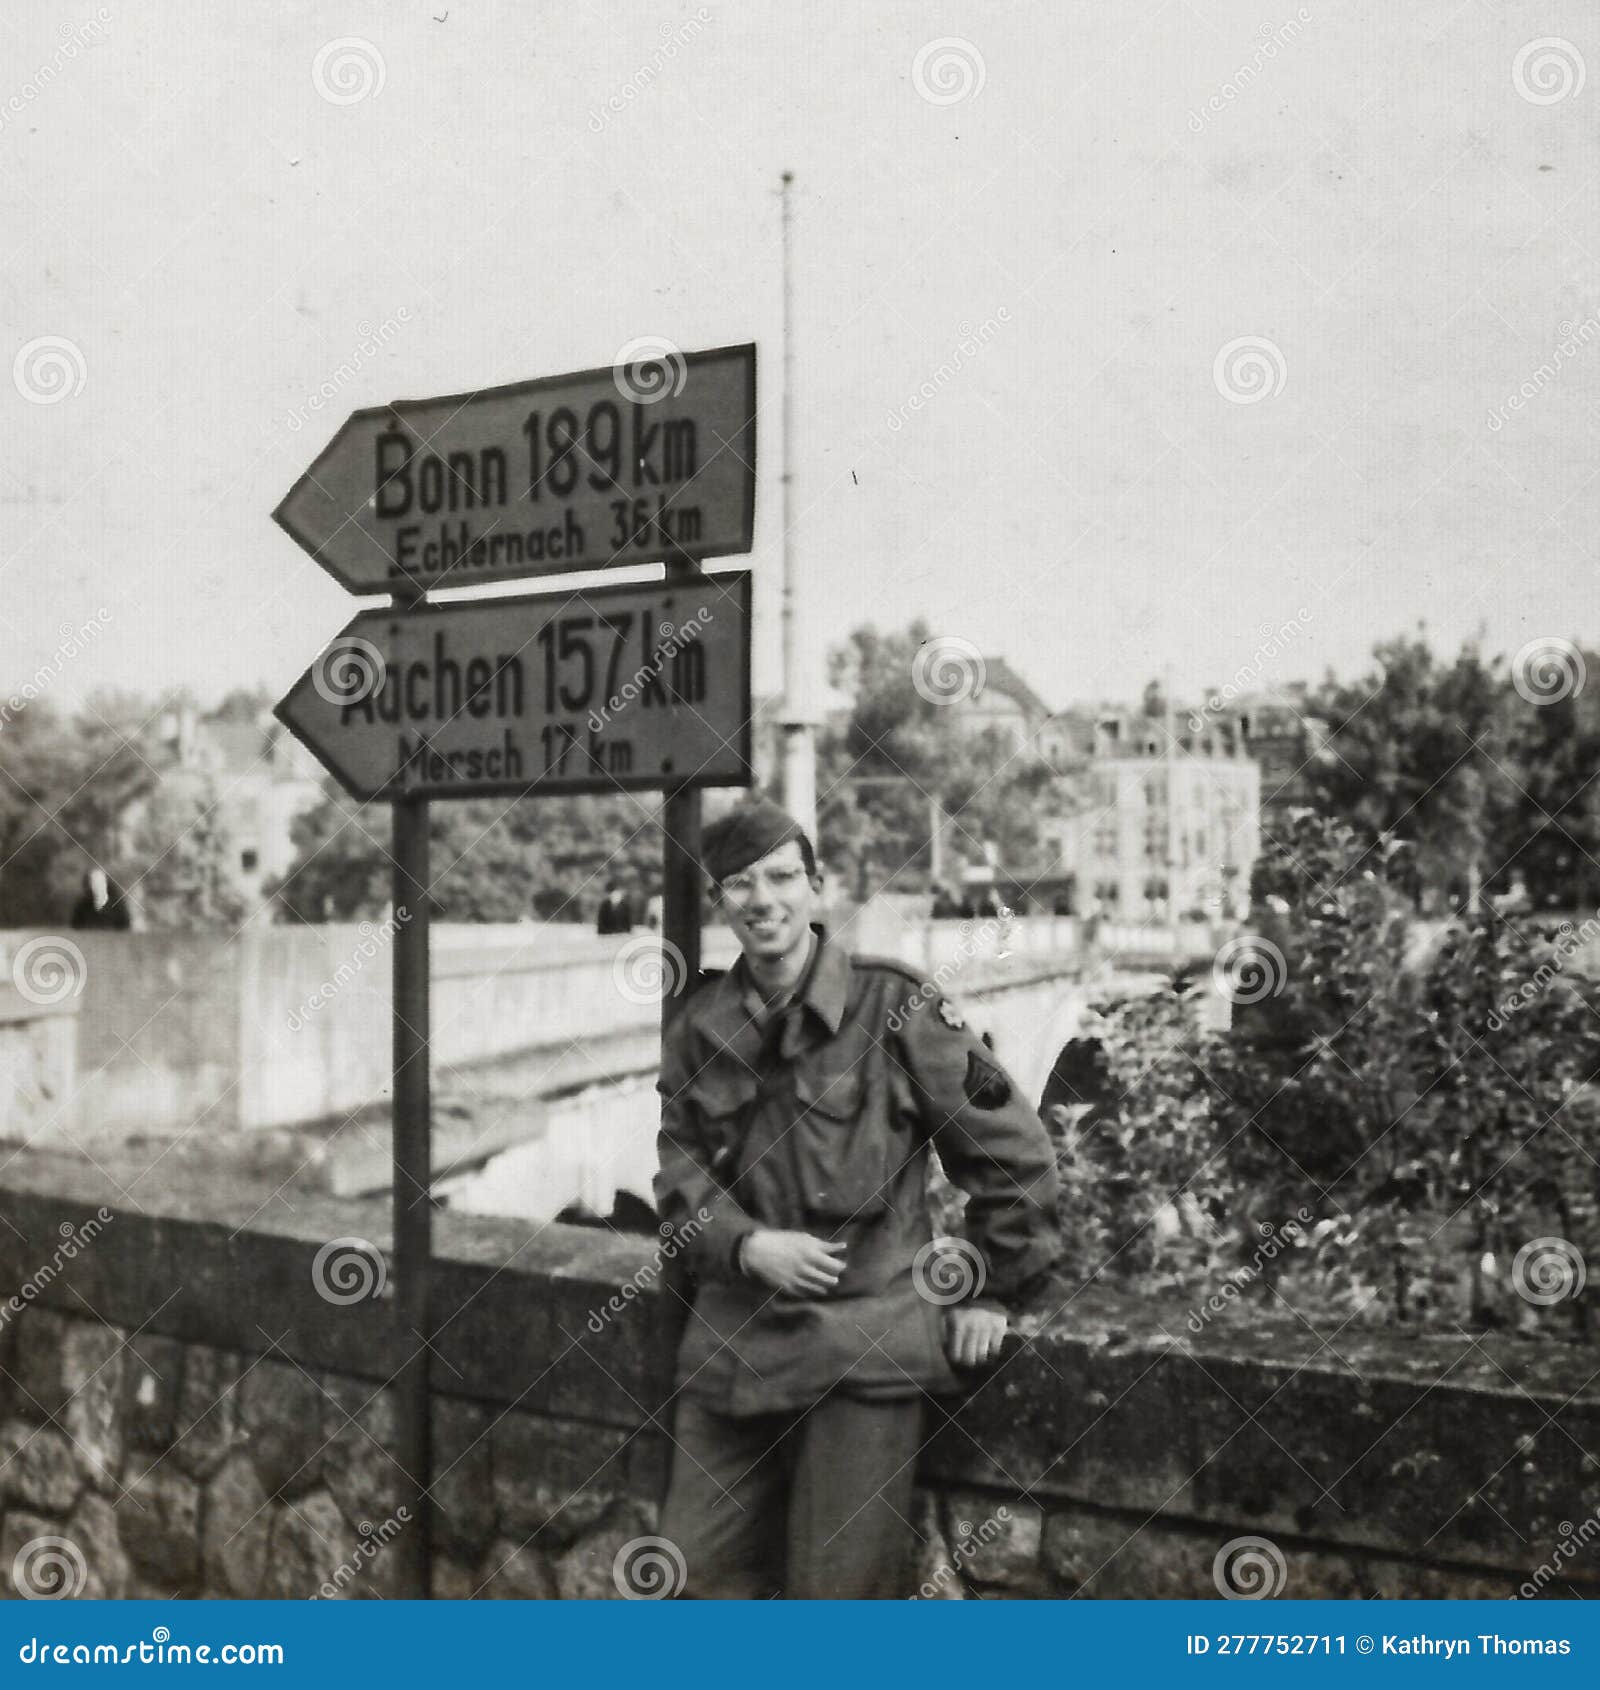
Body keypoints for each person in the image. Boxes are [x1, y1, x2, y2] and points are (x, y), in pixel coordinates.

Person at [653, 798, 1059, 1599]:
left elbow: (1009, 1149)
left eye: (780, 878)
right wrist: (743, 1243)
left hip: (866, 1344)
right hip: (737, 1342)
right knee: (687, 1582)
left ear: (816, 887)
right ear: (719, 901)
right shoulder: (701, 1023)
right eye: (739, 884)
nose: (762, 900)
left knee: (836, 1599)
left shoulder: (894, 1004)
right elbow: (679, 1172)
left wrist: (999, 1288)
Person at [70, 866, 130, 932]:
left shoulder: (117, 904)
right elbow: (76, 927)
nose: (96, 885)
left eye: (100, 881)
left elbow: (124, 926)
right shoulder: (82, 905)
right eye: (93, 882)